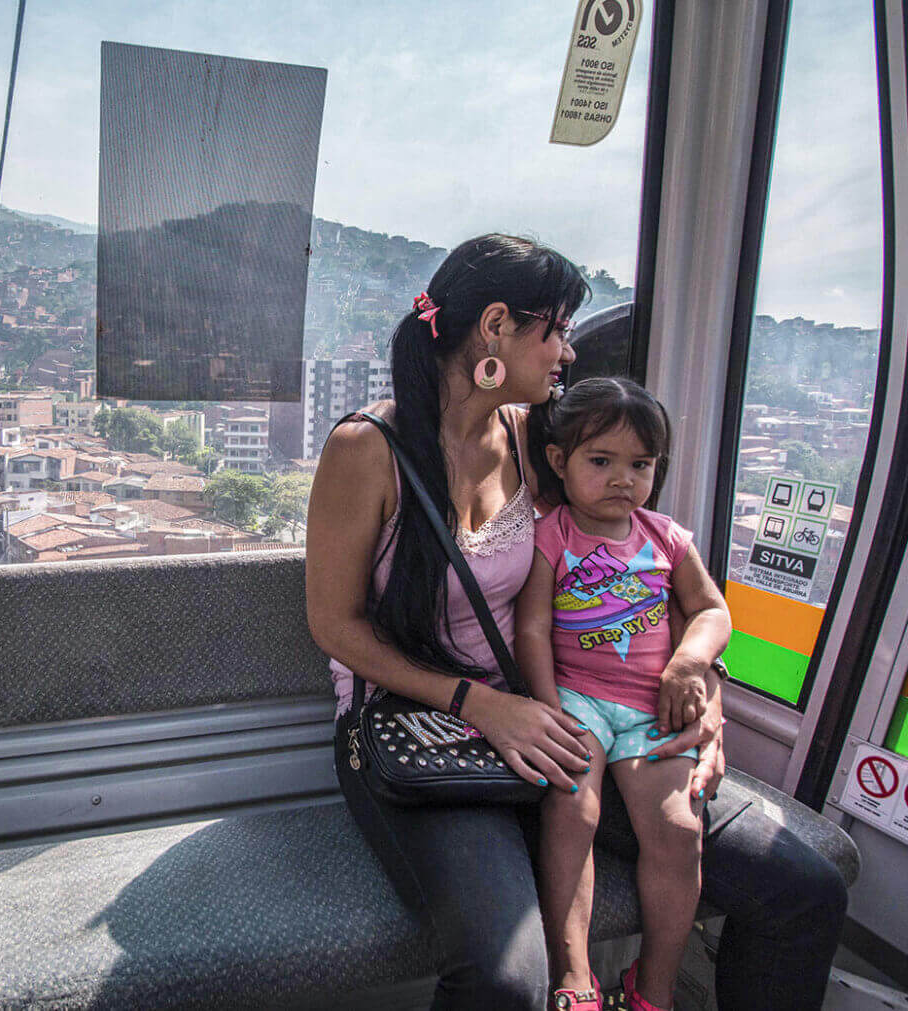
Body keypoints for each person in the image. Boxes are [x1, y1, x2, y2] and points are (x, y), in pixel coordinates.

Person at [304, 233, 848, 1011]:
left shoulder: (536, 438)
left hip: (571, 713)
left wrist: (701, 681)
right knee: (504, 982)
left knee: (804, 888)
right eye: (554, 330)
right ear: (496, 326)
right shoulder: (369, 448)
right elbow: (336, 623)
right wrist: (482, 703)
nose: (565, 354)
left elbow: (622, 573)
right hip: (426, 725)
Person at [514, 378, 730, 1011]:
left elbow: (711, 611)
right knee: (572, 808)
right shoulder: (550, 535)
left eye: (640, 465)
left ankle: (653, 986)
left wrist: (689, 662)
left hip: (654, 709)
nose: (622, 480)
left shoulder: (665, 538)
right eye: (601, 461)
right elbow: (533, 625)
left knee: (677, 830)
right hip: (577, 697)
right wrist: (548, 704)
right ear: (560, 462)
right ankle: (573, 974)